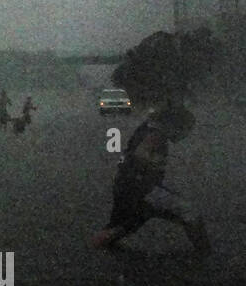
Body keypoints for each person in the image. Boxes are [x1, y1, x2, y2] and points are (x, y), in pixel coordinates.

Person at [90, 104, 210, 254]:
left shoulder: (147, 128)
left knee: (126, 224)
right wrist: (152, 165)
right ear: (173, 125)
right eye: (185, 129)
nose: (185, 135)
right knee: (190, 212)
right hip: (141, 188)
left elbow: (132, 156)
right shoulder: (157, 134)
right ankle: (206, 258)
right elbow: (141, 154)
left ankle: (91, 254)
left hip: (126, 186)